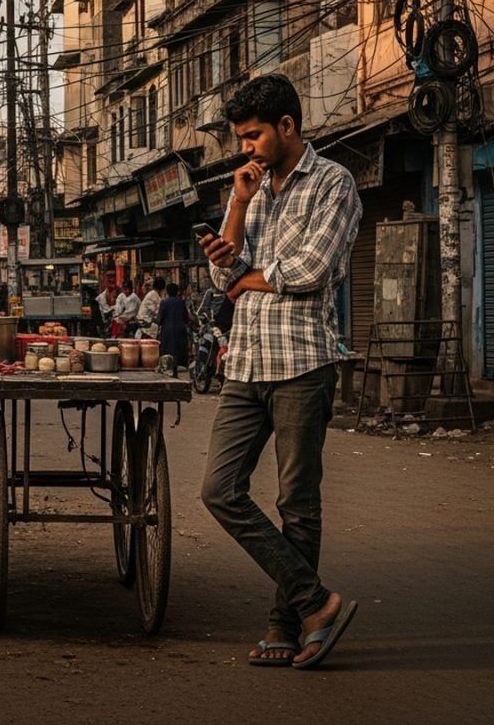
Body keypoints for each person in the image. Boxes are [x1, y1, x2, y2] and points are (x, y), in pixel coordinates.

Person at [197, 74, 362, 670]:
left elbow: (312, 269)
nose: (246, 148)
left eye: (253, 136)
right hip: (245, 362)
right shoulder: (252, 189)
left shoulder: (334, 184)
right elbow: (223, 280)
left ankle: (284, 626)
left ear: (286, 127)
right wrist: (237, 206)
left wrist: (246, 278)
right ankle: (316, 602)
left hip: (303, 361)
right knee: (219, 489)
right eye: (241, 138)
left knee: (298, 502)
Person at [156, 283, 191, 374]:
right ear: (177, 292)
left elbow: (159, 319)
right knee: (180, 348)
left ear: (167, 292)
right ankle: (179, 365)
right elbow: (186, 317)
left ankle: (168, 366)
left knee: (166, 349)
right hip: (180, 330)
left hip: (167, 330)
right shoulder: (181, 302)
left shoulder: (164, 303)